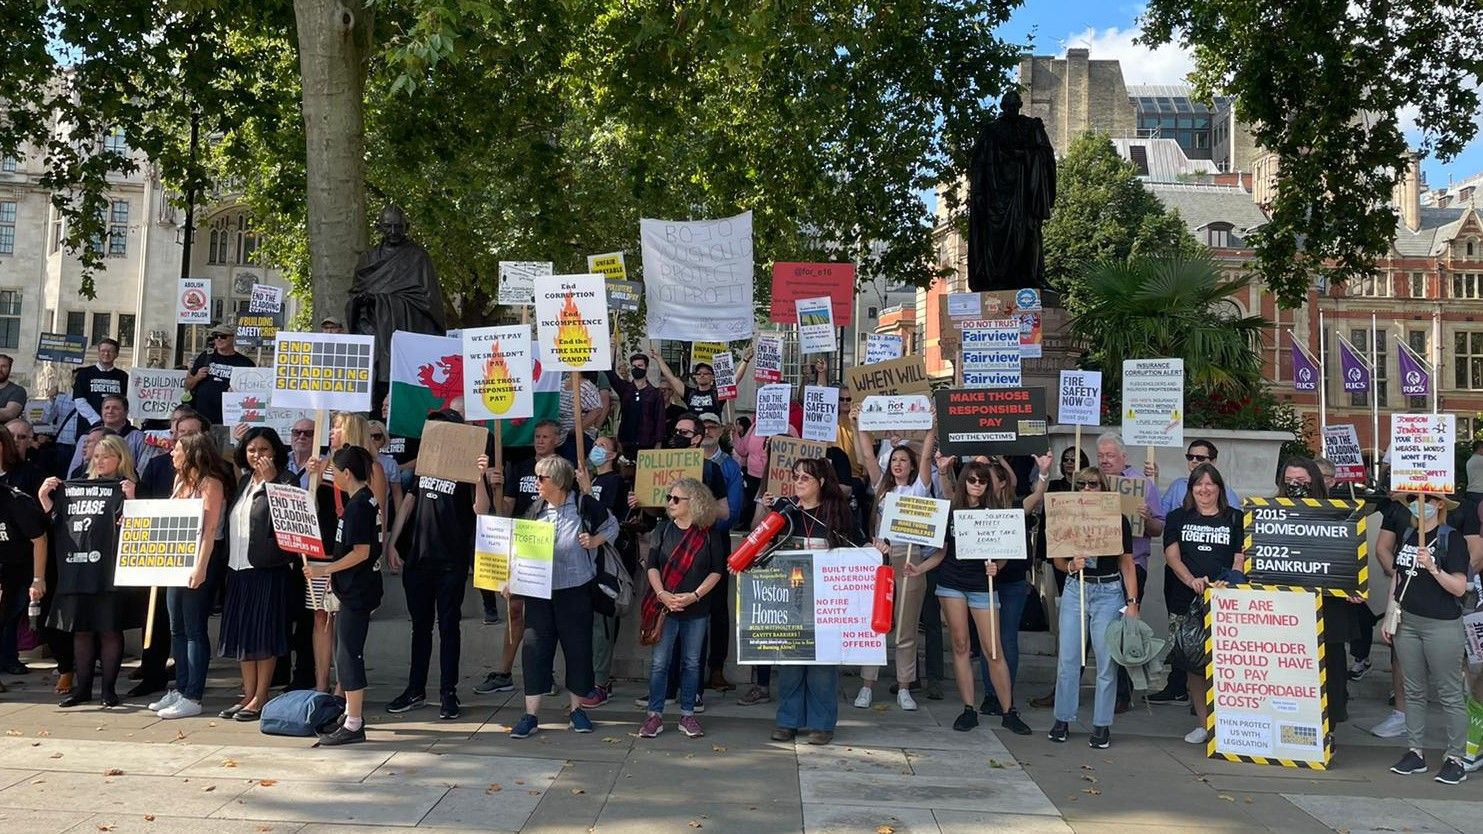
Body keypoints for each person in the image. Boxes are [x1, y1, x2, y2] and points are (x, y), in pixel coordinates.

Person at [385, 411, 493, 720]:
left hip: (451, 562)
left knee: (449, 628)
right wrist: (393, 541)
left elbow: (480, 509)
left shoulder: (466, 466)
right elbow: (409, 501)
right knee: (420, 628)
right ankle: (415, 689)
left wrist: (481, 476)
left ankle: (449, 693)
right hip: (418, 559)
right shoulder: (427, 461)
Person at [508, 455, 619, 739]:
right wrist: (510, 579)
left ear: (557, 481)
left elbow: (612, 525)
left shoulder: (584, 505)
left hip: (576, 590)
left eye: (541, 478)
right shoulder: (534, 510)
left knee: (578, 649)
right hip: (540, 594)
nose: (536, 483)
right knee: (534, 650)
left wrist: (595, 541)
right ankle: (530, 714)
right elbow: (519, 549)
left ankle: (577, 711)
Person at [921, 458, 1035, 734]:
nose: (976, 484)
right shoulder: (951, 511)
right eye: (971, 480)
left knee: (993, 649)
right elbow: (941, 552)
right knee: (960, 646)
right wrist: (918, 568)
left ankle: (1009, 710)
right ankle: (968, 708)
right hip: (951, 583)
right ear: (964, 483)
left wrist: (998, 566)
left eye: (982, 480)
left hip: (983, 585)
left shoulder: (996, 512)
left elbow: (1005, 553)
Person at [758, 458, 864, 745]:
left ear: (821, 481)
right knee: (791, 664)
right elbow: (758, 543)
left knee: (822, 665)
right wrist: (765, 511)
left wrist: (877, 547)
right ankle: (787, 721)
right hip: (791, 598)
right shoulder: (784, 510)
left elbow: (859, 548)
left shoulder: (838, 512)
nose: (799, 481)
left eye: (806, 477)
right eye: (796, 476)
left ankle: (822, 724)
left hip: (827, 600)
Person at [1382, 492, 1472, 785]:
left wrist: (1433, 567)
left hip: (1442, 625)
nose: (1419, 504)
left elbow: (1459, 587)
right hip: (1407, 621)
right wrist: (1389, 614)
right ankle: (1415, 752)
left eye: (1428, 499)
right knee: (1413, 689)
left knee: (1449, 692)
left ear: (1440, 505)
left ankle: (1456, 757)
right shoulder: (1408, 533)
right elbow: (1398, 576)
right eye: (1413, 498)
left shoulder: (1452, 539)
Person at [1044, 467, 1138, 746]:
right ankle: (1062, 717)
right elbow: (1058, 561)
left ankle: (1101, 724)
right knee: (1068, 659)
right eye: (1082, 484)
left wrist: (1132, 603)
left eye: (1093, 484)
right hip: (1077, 588)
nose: (1087, 488)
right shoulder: (1066, 517)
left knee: (1107, 661)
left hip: (1109, 591)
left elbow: (1127, 563)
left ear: (1104, 488)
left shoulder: (1118, 520)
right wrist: (1072, 564)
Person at [41, 434, 136, 707]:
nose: (101, 461)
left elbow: (133, 526)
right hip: (77, 571)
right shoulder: (76, 486)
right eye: (97, 456)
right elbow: (58, 523)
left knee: (109, 630)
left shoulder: (126, 486)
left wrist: (131, 498)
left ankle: (108, 690)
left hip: (108, 572)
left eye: (106, 456)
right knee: (81, 631)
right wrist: (44, 497)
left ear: (120, 458)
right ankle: (82, 689)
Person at [852, 415, 935, 710]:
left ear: (911, 465)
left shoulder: (920, 489)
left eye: (903, 460)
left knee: (906, 628)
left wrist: (931, 427)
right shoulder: (883, 488)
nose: (898, 464)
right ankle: (866, 686)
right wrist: (860, 423)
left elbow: (927, 453)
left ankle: (904, 686)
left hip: (910, 559)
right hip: (883, 560)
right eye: (894, 460)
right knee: (877, 623)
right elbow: (866, 456)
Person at [473, 420, 562, 694]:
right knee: (514, 609)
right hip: (521, 544)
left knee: (546, 615)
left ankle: (544, 674)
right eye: (537, 436)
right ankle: (504, 671)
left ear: (557, 440)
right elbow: (505, 510)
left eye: (546, 437)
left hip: (551, 545)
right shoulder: (521, 467)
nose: (539, 441)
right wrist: (495, 488)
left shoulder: (562, 470)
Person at [305, 446, 385, 746]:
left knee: (349, 655)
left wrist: (325, 570)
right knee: (345, 652)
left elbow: (361, 552)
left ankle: (354, 722)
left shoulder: (359, 505)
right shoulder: (362, 501)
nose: (333, 476)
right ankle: (350, 714)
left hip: (358, 590)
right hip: (353, 587)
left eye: (335, 472)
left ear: (346, 473)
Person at [1161, 463, 1245, 744]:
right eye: (1199, 484)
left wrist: (1230, 582)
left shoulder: (1236, 518)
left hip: (1226, 601)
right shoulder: (1177, 517)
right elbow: (1172, 556)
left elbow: (1240, 556)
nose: (1204, 489)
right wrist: (1191, 580)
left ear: (1219, 488)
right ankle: (1203, 723)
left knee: (1226, 664)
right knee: (1194, 666)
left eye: (1210, 484)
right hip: (1187, 600)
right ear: (1191, 489)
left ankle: (1229, 724)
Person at [638, 477, 728, 739]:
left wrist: (695, 596)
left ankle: (688, 714)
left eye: (676, 498)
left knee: (691, 662)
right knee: (659, 664)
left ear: (695, 502)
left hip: (696, 609)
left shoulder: (709, 533)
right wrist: (662, 594)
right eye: (669, 498)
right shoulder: (663, 529)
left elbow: (716, 571)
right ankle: (654, 716)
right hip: (665, 608)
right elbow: (651, 565)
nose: (670, 503)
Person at [217, 428, 296, 721]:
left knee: (264, 635)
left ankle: (262, 696)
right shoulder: (244, 482)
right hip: (238, 568)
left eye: (263, 450)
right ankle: (247, 694)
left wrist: (272, 479)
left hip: (267, 569)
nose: (257, 455)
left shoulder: (286, 480)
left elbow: (290, 516)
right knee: (243, 636)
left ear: (274, 451)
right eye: (252, 450)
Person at [152, 432, 232, 719]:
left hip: (201, 560)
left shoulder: (210, 484)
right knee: (177, 627)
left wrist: (200, 567)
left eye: (177, 449)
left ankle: (193, 694)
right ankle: (180, 686)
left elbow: (209, 530)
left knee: (194, 628)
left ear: (192, 454)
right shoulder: (179, 482)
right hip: (176, 558)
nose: (172, 454)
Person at [1278, 457, 1361, 723]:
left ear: (1314, 481)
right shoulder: (1268, 511)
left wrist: (1353, 583)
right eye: (1289, 481)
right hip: (1286, 609)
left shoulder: (1338, 512)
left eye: (1301, 481)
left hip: (1329, 607)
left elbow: (1348, 554)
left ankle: (1330, 725)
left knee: (1331, 667)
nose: (1294, 485)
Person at [1095, 432, 1161, 711]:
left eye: (1110, 455)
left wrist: (1146, 519)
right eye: (1101, 456)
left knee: (1122, 628)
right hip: (1095, 566)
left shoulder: (1143, 485)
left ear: (1124, 457)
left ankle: (1122, 693)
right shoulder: (1092, 483)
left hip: (1132, 565)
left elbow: (1159, 528)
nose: (1105, 461)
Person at [578, 435, 629, 709]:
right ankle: (591, 678)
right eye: (594, 445)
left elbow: (605, 519)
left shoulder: (614, 482)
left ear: (611, 455)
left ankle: (601, 682)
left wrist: (587, 492)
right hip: (583, 562)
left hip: (604, 564)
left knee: (602, 626)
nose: (595, 450)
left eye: (601, 447)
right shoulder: (591, 481)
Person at [699, 412, 743, 691]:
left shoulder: (729, 466)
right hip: (684, 540)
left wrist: (705, 520)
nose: (707, 430)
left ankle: (716, 668)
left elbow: (733, 509)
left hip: (715, 538)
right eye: (702, 426)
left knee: (717, 606)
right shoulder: (681, 461)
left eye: (712, 426)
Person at [0, 475, 47, 676]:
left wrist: (38, 579)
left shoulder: (16, 501)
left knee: (9, 616)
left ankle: (9, 658)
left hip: (22, 567)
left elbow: (40, 539)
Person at [65, 395, 148, 477]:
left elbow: (143, 468)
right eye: (107, 408)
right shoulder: (86, 437)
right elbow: (73, 469)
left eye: (116, 408)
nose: (110, 411)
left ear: (126, 412)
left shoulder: (138, 437)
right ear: (101, 411)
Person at [610, 353, 669, 460]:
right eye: (634, 366)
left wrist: (658, 444)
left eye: (640, 365)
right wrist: (612, 349)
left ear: (646, 367)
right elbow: (610, 374)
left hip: (647, 443)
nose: (636, 368)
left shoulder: (655, 393)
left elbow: (660, 419)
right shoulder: (625, 389)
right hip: (627, 442)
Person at [71, 338, 129, 438]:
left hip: (114, 430)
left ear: (116, 354)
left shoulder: (123, 376)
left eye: (110, 351)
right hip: (88, 428)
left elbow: (126, 402)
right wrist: (97, 420)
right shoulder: (84, 374)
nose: (106, 354)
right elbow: (79, 401)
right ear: (98, 353)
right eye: (103, 351)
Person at [649, 349, 724, 421]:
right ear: (695, 377)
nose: (702, 375)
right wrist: (658, 358)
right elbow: (671, 378)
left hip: (711, 432)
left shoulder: (718, 394)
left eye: (706, 373)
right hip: (693, 432)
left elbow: (734, 381)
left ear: (713, 377)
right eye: (698, 373)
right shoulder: (689, 393)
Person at [0, 354, 28, 422]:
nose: (0, 369)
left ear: (10, 368)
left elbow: (9, 414)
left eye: (3, 366)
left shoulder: (18, 391)